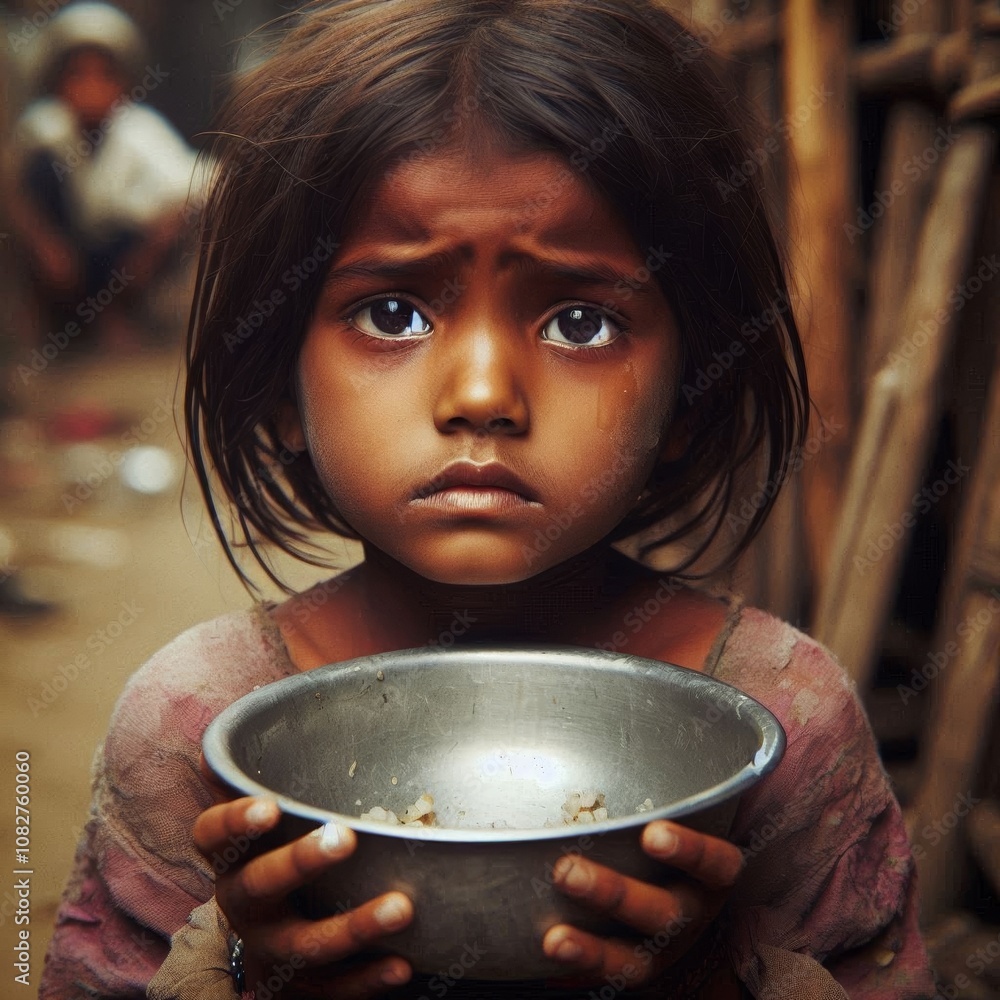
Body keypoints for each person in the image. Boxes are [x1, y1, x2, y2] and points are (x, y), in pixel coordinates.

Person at [39, 1, 937, 997]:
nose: (480, 395)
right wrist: (247, 968)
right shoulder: (193, 725)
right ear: (278, 379)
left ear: (690, 393)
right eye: (393, 311)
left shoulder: (785, 716)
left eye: (581, 322)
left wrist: (709, 975)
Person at [4, 2, 202, 348]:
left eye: (104, 75)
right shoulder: (44, 130)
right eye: (78, 75)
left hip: (121, 259)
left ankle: (114, 318)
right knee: (42, 171)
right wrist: (43, 244)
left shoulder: (141, 131)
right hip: (66, 260)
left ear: (123, 83)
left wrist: (150, 250)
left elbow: (197, 187)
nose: (91, 88)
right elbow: (13, 190)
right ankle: (52, 326)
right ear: (57, 82)